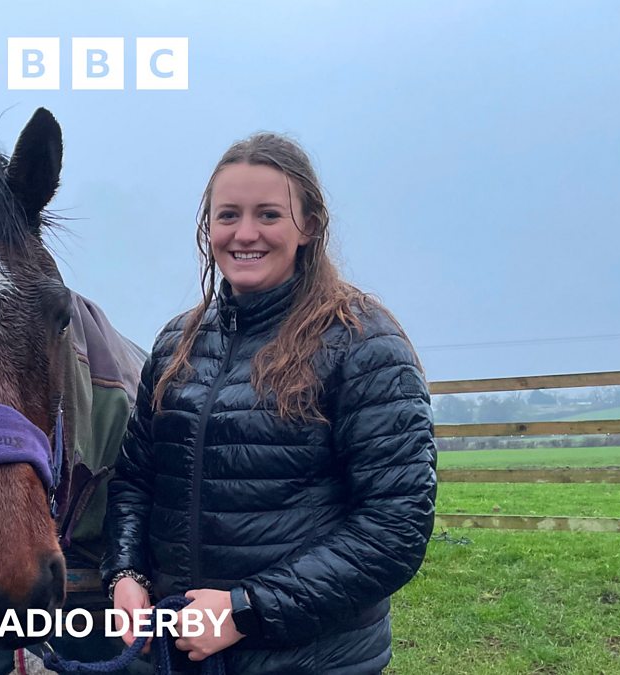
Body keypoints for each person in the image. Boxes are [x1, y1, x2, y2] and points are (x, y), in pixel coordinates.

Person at [101, 132, 438, 674]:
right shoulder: (176, 344)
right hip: (177, 654)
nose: (245, 233)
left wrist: (246, 611)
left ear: (309, 226)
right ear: (208, 227)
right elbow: (137, 481)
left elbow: (395, 526)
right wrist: (126, 574)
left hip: (309, 660)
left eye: (269, 215)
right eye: (228, 215)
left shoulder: (363, 344)